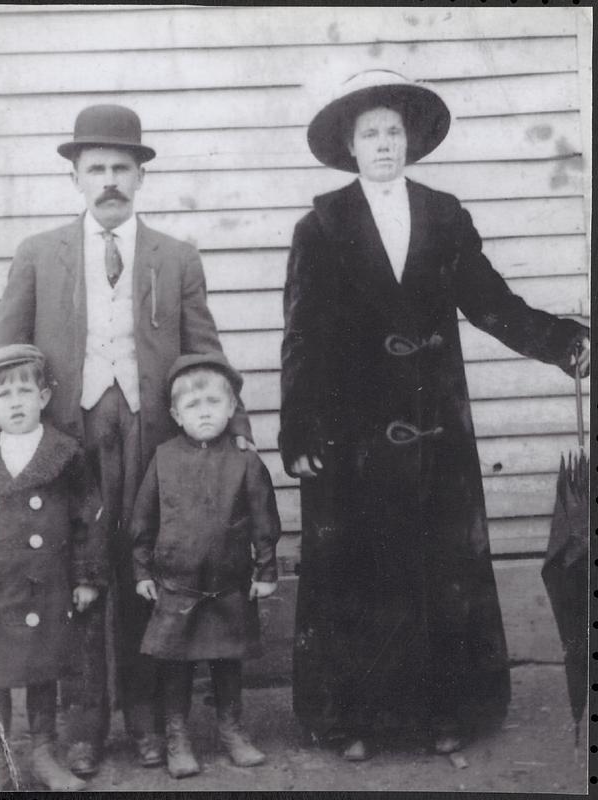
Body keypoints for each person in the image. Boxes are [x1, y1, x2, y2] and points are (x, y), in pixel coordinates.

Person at [279, 70, 590, 761]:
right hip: (352, 429)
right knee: (359, 568)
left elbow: (490, 302)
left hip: (434, 422)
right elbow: (302, 335)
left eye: (393, 131)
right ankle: (351, 720)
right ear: (350, 146)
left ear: (410, 141)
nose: (383, 144)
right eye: (370, 133)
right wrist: (299, 428)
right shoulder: (320, 225)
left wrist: (560, 342)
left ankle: (446, 711)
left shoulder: (445, 215)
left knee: (439, 566)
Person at [0, 104, 253, 776]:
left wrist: (238, 430)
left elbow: (204, 351)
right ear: (75, 176)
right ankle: (84, 729)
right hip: (65, 441)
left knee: (146, 570)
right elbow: (3, 351)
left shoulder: (176, 257)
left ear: (140, 177)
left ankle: (147, 720)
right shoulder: (39, 253)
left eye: (121, 168)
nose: (109, 180)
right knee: (75, 577)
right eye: (96, 168)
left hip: (149, 435)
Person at [131, 352, 281, 778]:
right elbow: (143, 521)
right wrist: (142, 571)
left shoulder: (245, 460)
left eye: (214, 402)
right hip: (176, 586)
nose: (204, 412)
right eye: (192, 405)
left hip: (228, 585)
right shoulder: (163, 458)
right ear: (176, 414)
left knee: (227, 662)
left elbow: (264, 520)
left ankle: (232, 731)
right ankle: (177, 737)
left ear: (231, 407)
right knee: (175, 666)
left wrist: (266, 571)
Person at [0, 344, 107, 791]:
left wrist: (87, 577)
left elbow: (87, 518)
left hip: (45, 581)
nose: (15, 402)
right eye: (3, 394)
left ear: (44, 397)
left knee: (42, 667)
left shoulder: (64, 454)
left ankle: (43, 753)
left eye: (24, 391)